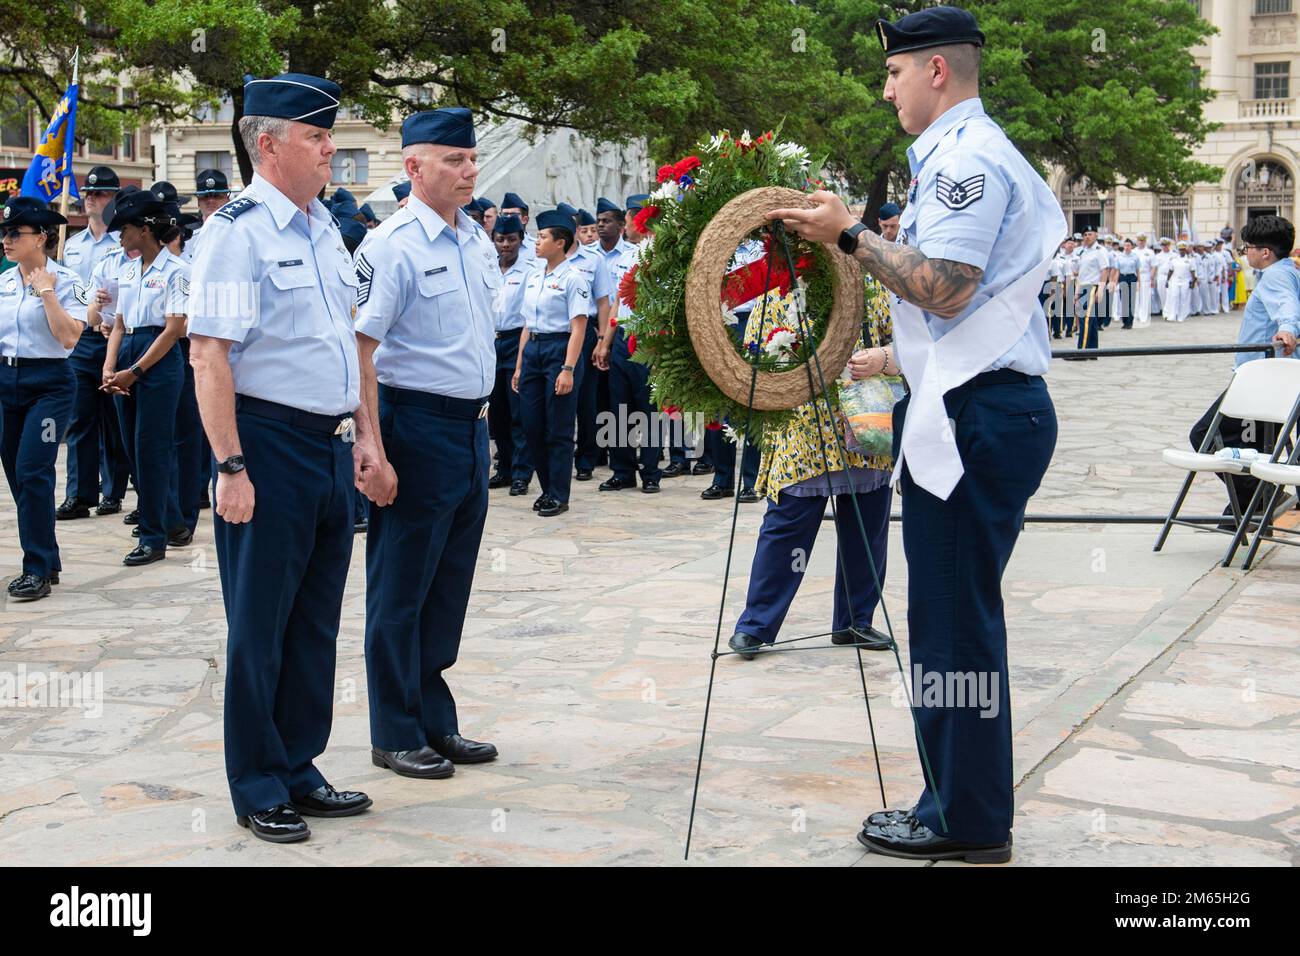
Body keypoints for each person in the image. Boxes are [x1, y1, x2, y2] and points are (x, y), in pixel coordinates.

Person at [769, 4, 1063, 863]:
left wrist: (851, 236)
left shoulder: (967, 161)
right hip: (975, 407)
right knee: (948, 617)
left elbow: (949, 287)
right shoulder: (957, 156)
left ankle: (964, 821)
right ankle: (957, 801)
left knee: (952, 625)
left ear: (937, 70)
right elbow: (950, 313)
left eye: (895, 71)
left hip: (981, 417)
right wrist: (888, 358)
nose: (885, 87)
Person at [188, 72, 382, 844]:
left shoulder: (323, 226)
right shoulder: (237, 232)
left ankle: (300, 763)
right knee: (259, 625)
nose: (331, 149)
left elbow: (346, 348)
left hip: (329, 447)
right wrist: (230, 467)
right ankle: (258, 781)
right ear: (268, 144)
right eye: (316, 137)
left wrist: (366, 438)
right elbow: (210, 356)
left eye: (329, 135)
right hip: (267, 446)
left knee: (313, 623)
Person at [353, 107, 500, 780]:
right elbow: (359, 351)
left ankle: (434, 720)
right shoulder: (391, 245)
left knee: (448, 586)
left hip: (470, 429)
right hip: (413, 427)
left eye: (471, 158)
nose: (469, 170)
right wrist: (372, 447)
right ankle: (394, 730)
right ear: (414, 167)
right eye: (453, 160)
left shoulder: (473, 239)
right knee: (400, 586)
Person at [727, 283, 896, 660]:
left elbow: (900, 341)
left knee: (867, 530)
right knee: (786, 528)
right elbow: (754, 353)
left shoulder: (869, 284)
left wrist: (882, 359)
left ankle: (855, 620)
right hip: (802, 426)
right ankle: (756, 625)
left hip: (864, 421)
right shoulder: (780, 287)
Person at [0, 197, 87, 600]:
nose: (6, 239)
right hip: (6, 379)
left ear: (42, 237)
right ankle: (46, 555)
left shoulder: (70, 281)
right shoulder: (2, 282)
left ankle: (35, 568)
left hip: (49, 383)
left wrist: (48, 293)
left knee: (33, 468)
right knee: (18, 475)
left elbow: (69, 337)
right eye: (4, 232)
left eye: (15, 233)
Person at [101, 191, 189, 565]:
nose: (120, 236)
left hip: (157, 359)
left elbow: (174, 329)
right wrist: (109, 365)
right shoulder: (126, 269)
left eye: (126, 229)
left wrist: (135, 371)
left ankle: (154, 537)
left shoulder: (177, 271)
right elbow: (119, 323)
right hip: (127, 353)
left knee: (152, 449)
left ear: (145, 229)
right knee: (133, 448)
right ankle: (170, 520)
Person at [1189, 214, 1299, 514]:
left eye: (1248, 246)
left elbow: (1287, 307)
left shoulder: (1276, 276)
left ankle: (1260, 498)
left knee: (1205, 435)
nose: (1244, 251)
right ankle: (1251, 503)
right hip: (1264, 379)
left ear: (1265, 252)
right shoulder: (1284, 272)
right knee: (1256, 447)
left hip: (1261, 383)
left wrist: (1288, 329)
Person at [58, 165, 130, 521]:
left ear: (113, 198)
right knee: (80, 418)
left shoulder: (123, 242)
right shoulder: (71, 245)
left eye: (100, 193)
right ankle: (79, 494)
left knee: (112, 418)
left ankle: (113, 490)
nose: (91, 198)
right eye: (88, 193)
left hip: (115, 333)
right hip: (82, 338)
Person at [512, 210, 588, 516]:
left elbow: (579, 326)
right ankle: (547, 488)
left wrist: (568, 369)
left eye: (543, 237)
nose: (537, 241)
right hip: (533, 351)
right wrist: (519, 365)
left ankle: (558, 493)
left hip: (560, 350)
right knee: (531, 425)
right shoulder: (534, 276)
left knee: (557, 428)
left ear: (560, 242)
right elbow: (527, 325)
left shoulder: (573, 278)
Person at [593, 203, 662, 492]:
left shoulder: (661, 257)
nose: (626, 227)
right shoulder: (627, 257)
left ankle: (650, 471)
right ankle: (622, 470)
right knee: (618, 404)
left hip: (651, 337)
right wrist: (605, 344)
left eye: (629, 221)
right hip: (623, 335)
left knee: (648, 407)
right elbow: (618, 301)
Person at [488, 214, 534, 496]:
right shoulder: (488, 268)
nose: (505, 245)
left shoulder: (529, 270)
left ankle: (521, 472)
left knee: (519, 412)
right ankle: (503, 467)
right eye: (500, 239)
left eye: (511, 239)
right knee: (497, 413)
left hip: (518, 340)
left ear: (520, 239)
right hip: (492, 341)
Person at [567, 208, 613, 482]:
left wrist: (600, 339)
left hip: (585, 332)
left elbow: (604, 301)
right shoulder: (544, 262)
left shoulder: (593, 260)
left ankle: (586, 458)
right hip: (555, 333)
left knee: (586, 399)